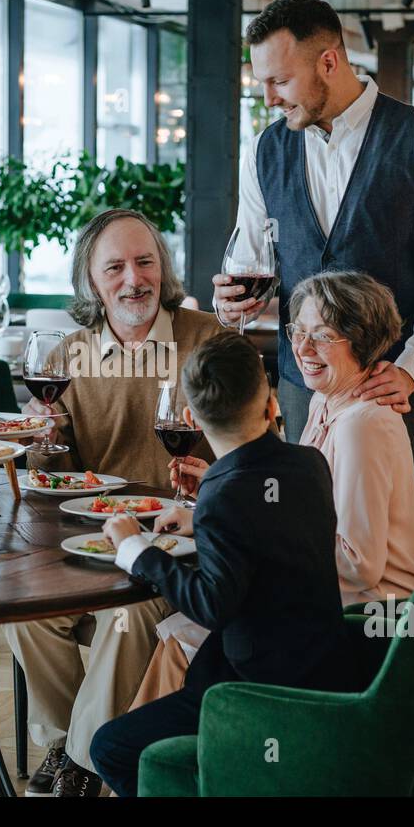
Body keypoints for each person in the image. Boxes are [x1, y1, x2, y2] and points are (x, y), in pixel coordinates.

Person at [135, 271, 414, 706]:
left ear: (363, 341)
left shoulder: (362, 425)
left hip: (374, 621)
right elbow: (296, 513)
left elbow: (359, 564)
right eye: (299, 331)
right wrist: (214, 503)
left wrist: (241, 528)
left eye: (323, 336)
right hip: (330, 601)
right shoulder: (324, 402)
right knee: (189, 627)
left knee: (187, 635)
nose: (303, 349)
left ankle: (163, 762)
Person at [89, 333, 362, 797]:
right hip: (323, 666)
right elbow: (275, 527)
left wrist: (136, 548)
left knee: (110, 748)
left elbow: (212, 603)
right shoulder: (309, 463)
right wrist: (201, 519)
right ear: (271, 401)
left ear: (192, 418)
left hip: (258, 691)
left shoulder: (223, 494)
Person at [9, 207, 224, 796]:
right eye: (116, 267)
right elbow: (53, 481)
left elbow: (253, 452)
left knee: (127, 621)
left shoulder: (207, 341)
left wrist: (215, 480)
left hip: (175, 551)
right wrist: (42, 442)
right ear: (93, 282)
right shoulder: (65, 356)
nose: (135, 279)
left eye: (145, 261)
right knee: (25, 617)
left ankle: (82, 765)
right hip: (89, 544)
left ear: (162, 268)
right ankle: (65, 741)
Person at [216, 0, 414, 468]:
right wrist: (232, 302)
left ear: (329, 61)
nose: (269, 98)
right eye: (262, 83)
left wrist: (410, 370)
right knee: (315, 535)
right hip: (306, 397)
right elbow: (251, 265)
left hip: (404, 394)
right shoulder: (261, 152)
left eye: (280, 80)